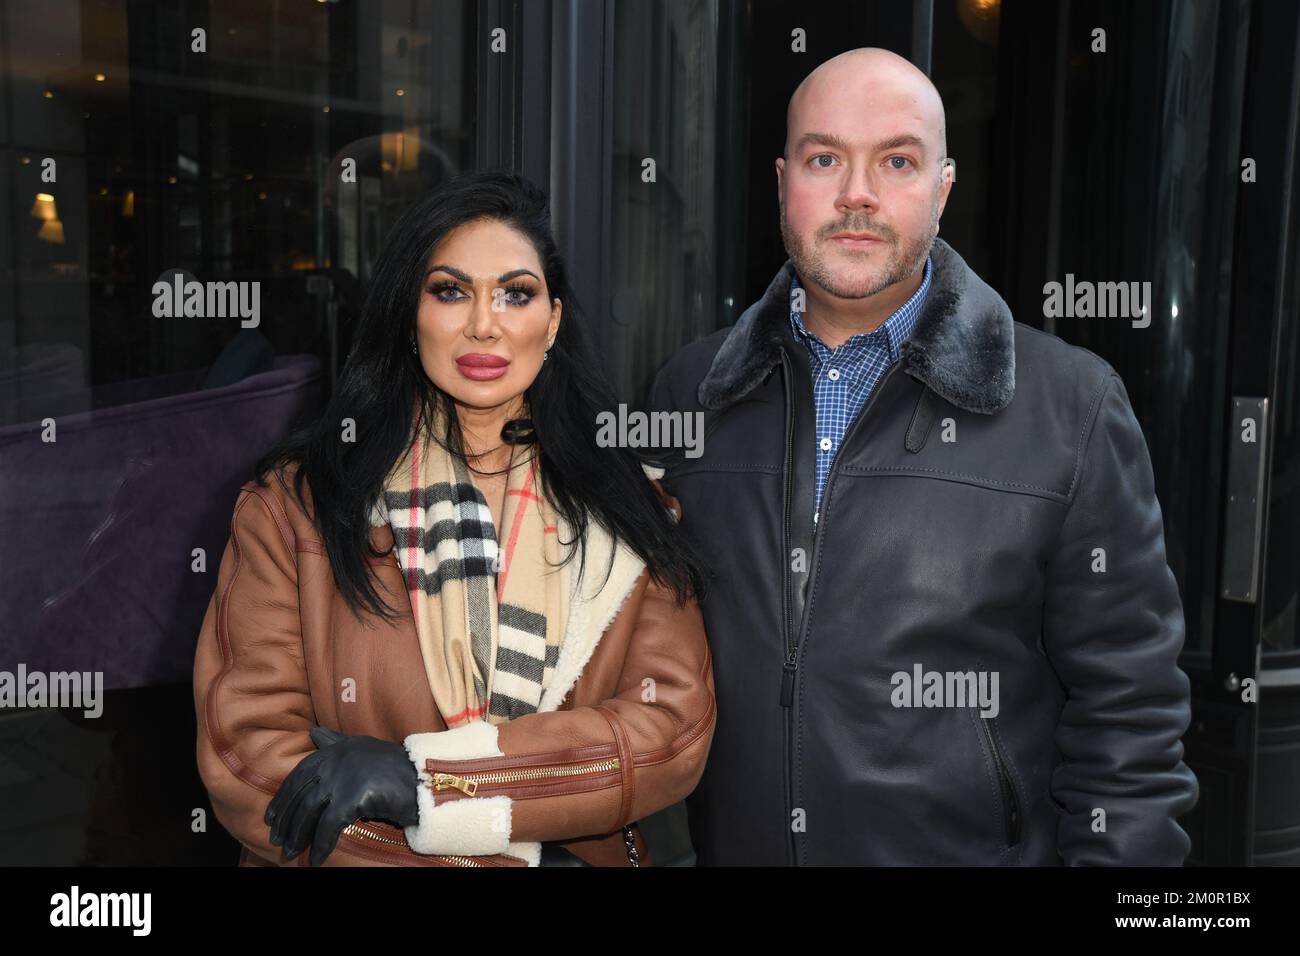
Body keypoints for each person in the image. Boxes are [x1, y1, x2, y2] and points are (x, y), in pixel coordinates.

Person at [647, 48, 1198, 865]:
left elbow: (1131, 725)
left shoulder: (1072, 408)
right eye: (824, 158)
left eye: (896, 161)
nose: (857, 194)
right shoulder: (688, 393)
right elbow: (638, 669)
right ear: (781, 181)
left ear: (943, 187)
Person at [193, 168, 715, 867]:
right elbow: (250, 761)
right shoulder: (297, 508)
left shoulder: (626, 508)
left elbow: (669, 733)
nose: (483, 324)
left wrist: (426, 787)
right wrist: (505, 852)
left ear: (552, 319)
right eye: (450, 291)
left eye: (516, 294)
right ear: (410, 314)